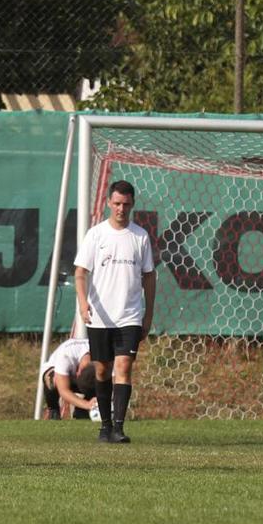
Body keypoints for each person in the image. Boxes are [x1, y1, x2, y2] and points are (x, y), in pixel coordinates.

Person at [73, 180, 155, 443]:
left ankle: (119, 427)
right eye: (117, 203)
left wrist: (148, 314)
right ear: (109, 202)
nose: (121, 208)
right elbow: (80, 272)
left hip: (129, 316)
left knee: (124, 366)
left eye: (126, 204)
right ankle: (105, 426)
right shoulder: (96, 235)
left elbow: (149, 276)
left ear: (132, 204)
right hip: (100, 316)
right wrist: (83, 303)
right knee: (102, 369)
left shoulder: (140, 236)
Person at [41, 337, 99, 420]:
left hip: (83, 379)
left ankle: (81, 411)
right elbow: (63, 391)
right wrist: (87, 404)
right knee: (51, 380)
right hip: (58, 374)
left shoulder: (102, 354)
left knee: (99, 381)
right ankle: (53, 410)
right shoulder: (65, 356)